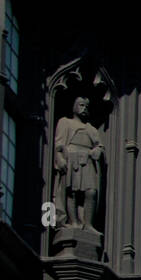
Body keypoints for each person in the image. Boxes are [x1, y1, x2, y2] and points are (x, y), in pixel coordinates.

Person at [53, 95, 104, 232]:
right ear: (73, 107)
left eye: (86, 106)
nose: (84, 108)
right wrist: (60, 159)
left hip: (87, 159)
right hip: (71, 158)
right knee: (72, 191)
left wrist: (97, 150)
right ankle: (74, 222)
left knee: (91, 192)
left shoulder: (91, 129)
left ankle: (88, 224)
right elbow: (59, 144)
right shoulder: (65, 122)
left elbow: (99, 145)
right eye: (81, 105)